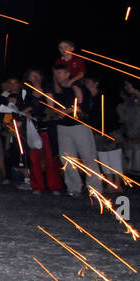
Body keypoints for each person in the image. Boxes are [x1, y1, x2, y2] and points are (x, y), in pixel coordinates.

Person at [50, 64, 99, 199]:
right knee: (66, 158)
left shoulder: (77, 87)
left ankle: (94, 189)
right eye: (56, 73)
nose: (58, 76)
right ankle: (73, 187)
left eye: (60, 73)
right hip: (63, 127)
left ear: (67, 74)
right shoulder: (56, 90)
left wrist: (65, 111)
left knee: (88, 157)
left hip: (79, 126)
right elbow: (51, 107)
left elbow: (80, 106)